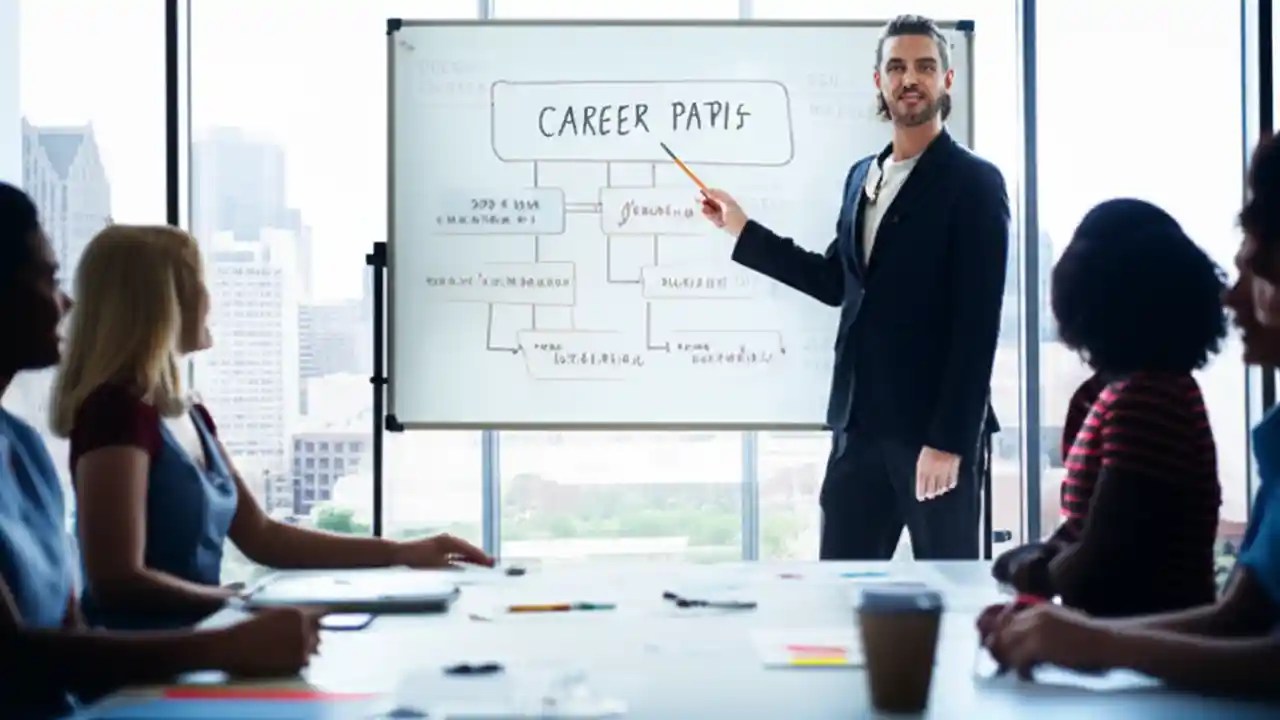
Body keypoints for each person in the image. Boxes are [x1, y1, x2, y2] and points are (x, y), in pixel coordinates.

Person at [50, 224, 493, 631]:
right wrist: (240, 605)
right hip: (139, 665)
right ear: (163, 300)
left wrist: (400, 553)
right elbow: (117, 580)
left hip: (201, 643)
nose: (209, 298)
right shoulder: (115, 414)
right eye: (198, 282)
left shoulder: (188, 415)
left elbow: (263, 537)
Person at [0, 182, 321, 717]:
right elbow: (15, 654)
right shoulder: (114, 413)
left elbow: (67, 633)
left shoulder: (25, 448)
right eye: (46, 277)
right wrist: (231, 632)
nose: (66, 301)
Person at [977, 136, 1280, 696]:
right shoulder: (1131, 396)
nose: (1231, 298)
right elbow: (1242, 616)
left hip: (1160, 677)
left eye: (1257, 267)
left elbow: (1102, 552)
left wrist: (1043, 588)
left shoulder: (1151, 398)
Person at [700, 14, 1009, 560]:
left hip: (931, 439)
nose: (909, 79)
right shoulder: (860, 175)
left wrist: (948, 441)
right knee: (840, 599)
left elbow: (977, 324)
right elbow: (833, 280)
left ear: (947, 81)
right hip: (856, 431)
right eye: (896, 67)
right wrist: (742, 229)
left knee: (949, 599)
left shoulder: (974, 183)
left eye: (924, 66)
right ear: (879, 83)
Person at [991, 198, 1226, 618]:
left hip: (1144, 649)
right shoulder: (1144, 390)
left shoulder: (1147, 398)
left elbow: (1100, 558)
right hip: (1134, 642)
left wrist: (1030, 575)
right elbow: (1087, 534)